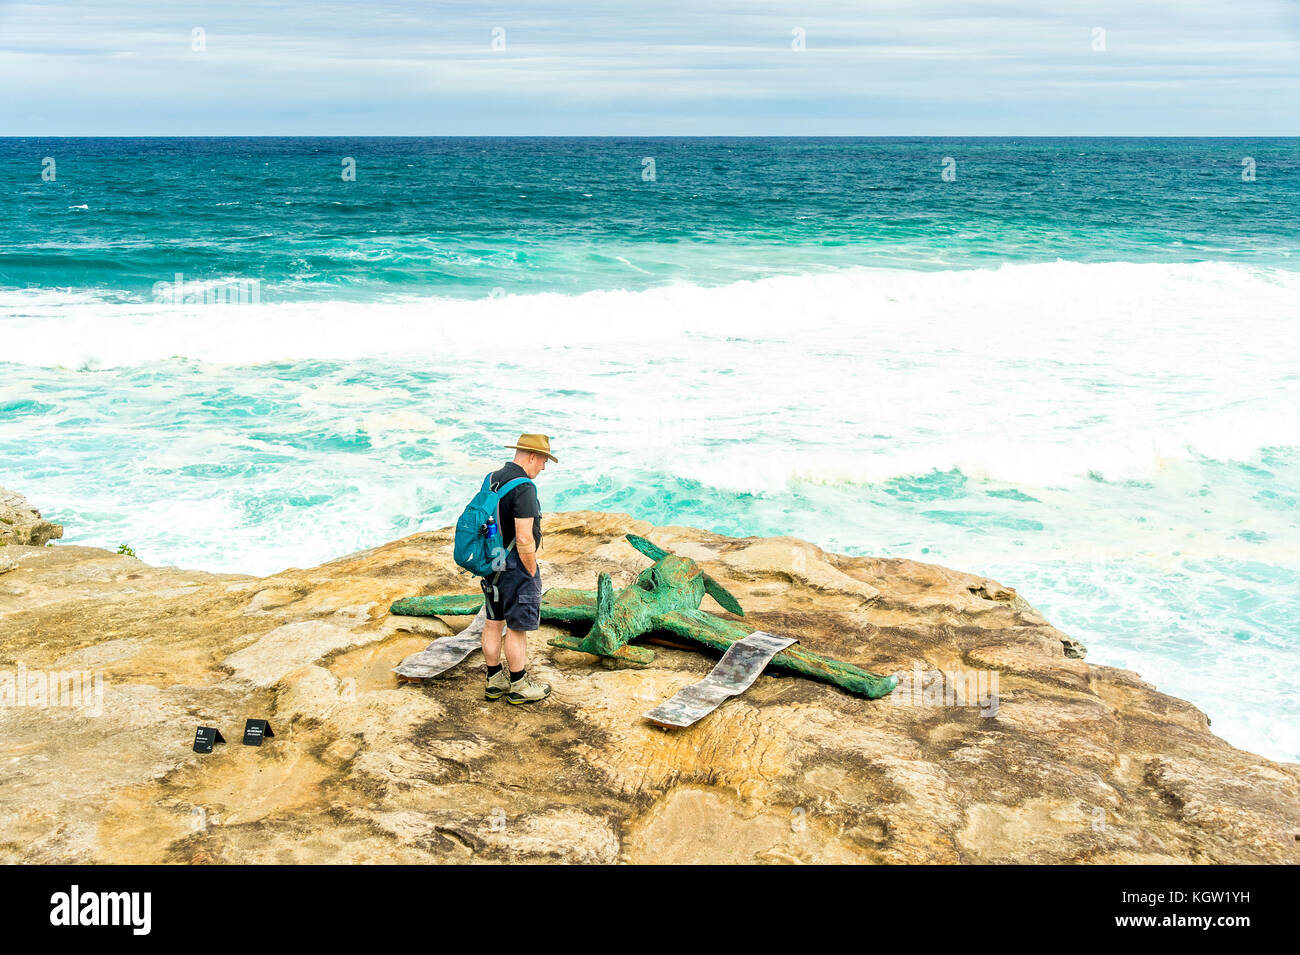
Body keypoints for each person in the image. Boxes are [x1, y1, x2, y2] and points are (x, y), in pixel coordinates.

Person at [481, 434, 557, 705]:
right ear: (532, 456)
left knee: (492, 622)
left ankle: (494, 680)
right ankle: (518, 684)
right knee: (516, 628)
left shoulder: (492, 478)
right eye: (544, 461)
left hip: (492, 563)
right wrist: (532, 570)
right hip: (515, 568)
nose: (544, 467)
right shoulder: (524, 487)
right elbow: (524, 538)